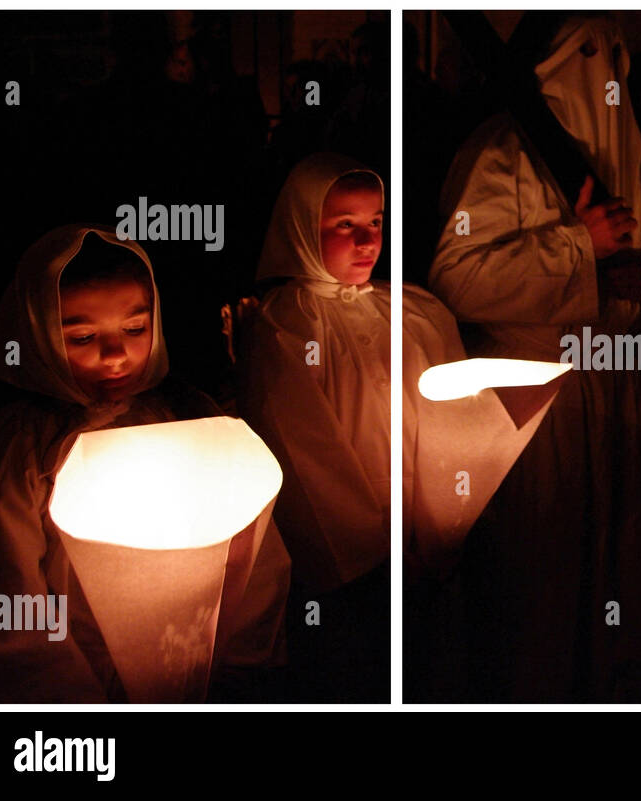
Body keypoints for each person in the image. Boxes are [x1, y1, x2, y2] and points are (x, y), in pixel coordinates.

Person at [429, 13, 641, 701]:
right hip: (544, 397)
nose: (601, 71)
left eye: (612, 54)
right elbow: (457, 275)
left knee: (622, 553)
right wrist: (577, 247)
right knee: (548, 561)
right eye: (585, 55)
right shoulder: (503, 155)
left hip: (623, 389)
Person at [0, 225, 291, 702]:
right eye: (82, 336)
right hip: (83, 675)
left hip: (202, 665)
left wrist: (235, 664)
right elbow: (5, 585)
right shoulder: (24, 446)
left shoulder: (190, 417)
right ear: (36, 332)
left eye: (135, 328)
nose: (116, 354)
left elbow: (252, 549)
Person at [238, 152, 390, 701]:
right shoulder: (288, 323)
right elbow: (304, 452)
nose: (366, 240)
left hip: (416, 541)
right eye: (343, 225)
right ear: (302, 227)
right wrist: (366, 552)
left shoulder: (408, 313)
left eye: (375, 221)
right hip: (353, 566)